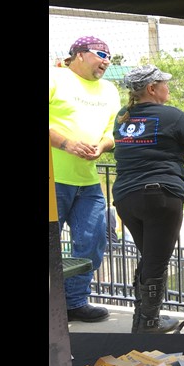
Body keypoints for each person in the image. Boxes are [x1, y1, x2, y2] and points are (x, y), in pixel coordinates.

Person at [112, 65, 184, 333]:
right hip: (160, 196)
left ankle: (141, 317)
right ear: (152, 89)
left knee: (150, 257)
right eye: (164, 83)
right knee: (156, 260)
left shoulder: (123, 116)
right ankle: (149, 323)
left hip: (125, 196)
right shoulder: (172, 116)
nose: (168, 86)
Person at [49, 35, 121, 322]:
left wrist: (102, 146)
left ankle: (74, 302)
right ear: (79, 54)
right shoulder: (55, 78)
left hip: (88, 180)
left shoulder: (110, 90)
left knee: (94, 239)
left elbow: (112, 131)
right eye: (100, 54)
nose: (106, 61)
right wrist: (66, 144)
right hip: (53, 176)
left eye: (109, 57)